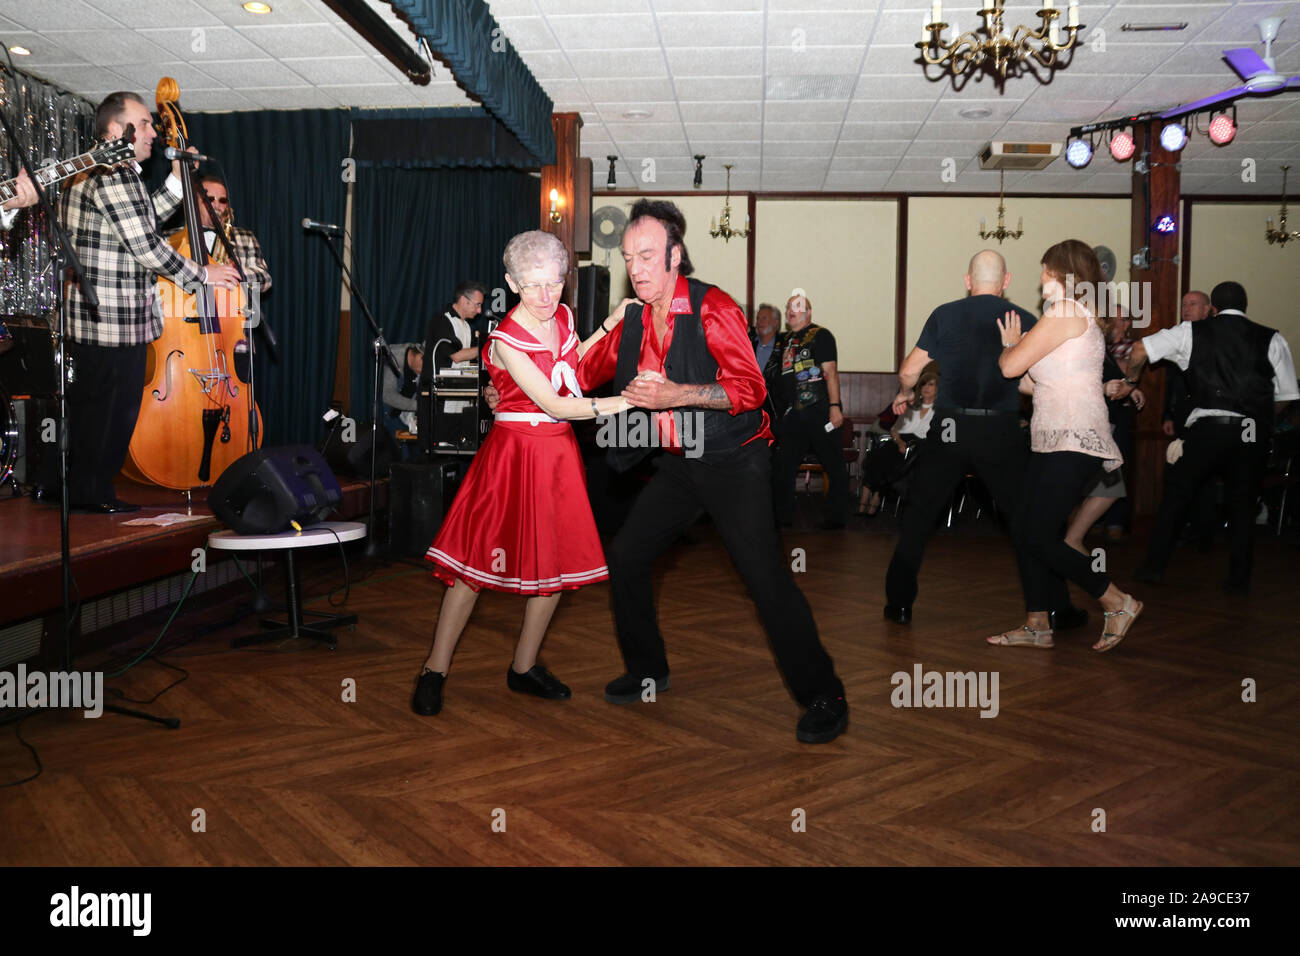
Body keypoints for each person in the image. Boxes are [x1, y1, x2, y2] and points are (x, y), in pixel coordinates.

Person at [577, 199, 849, 744]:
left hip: (734, 459)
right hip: (680, 464)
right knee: (627, 557)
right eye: (630, 257)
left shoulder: (712, 306)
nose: (637, 267)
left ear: (676, 255)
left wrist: (677, 393)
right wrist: (605, 322)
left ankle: (824, 694)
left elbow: (750, 391)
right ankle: (648, 670)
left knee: (765, 579)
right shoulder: (633, 316)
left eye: (649, 255)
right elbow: (584, 371)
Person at [411, 231, 635, 716]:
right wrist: (626, 401)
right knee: (471, 571)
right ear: (512, 283)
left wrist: (610, 326)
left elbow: (569, 368)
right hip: (512, 456)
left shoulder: (564, 316)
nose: (545, 296)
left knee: (552, 571)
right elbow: (555, 401)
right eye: (532, 286)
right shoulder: (505, 337)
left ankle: (524, 666)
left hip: (557, 455)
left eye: (554, 283)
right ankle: (434, 669)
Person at [33, 92, 239, 513]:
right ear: (116, 129)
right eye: (145, 123)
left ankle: (70, 486)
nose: (153, 132)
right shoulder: (111, 171)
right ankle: (91, 493)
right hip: (113, 317)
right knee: (113, 411)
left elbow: (144, 219)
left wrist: (180, 177)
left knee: (93, 407)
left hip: (101, 316)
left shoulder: (106, 170)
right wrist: (204, 273)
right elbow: (146, 244)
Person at [882, 249, 1086, 633]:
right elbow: (1035, 382)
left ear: (967, 280)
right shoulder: (1026, 319)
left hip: (949, 428)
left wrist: (906, 390)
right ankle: (1054, 609)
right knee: (1026, 524)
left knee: (919, 517)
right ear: (1006, 281)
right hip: (1000, 430)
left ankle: (899, 604)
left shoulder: (944, 314)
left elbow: (910, 371)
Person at [991, 239, 1142, 652]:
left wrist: (1010, 346)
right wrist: (1017, 354)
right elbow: (1027, 381)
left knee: (1039, 535)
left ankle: (1117, 600)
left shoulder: (1066, 312)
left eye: (1043, 269)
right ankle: (1038, 623)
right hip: (1052, 437)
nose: (1039, 278)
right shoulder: (1071, 317)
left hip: (1073, 436)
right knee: (1025, 529)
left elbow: (1009, 366)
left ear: (1060, 272)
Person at [1123, 280, 1299, 593]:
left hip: (1206, 428)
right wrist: (1260, 418)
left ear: (1213, 308)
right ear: (1245, 306)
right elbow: (1286, 393)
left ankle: (1153, 568)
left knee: (1176, 497)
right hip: (1250, 430)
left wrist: (1131, 380)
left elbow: (1138, 349)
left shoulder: (1192, 332)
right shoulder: (1271, 337)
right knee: (1243, 504)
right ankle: (1239, 579)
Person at [767, 293, 849, 528]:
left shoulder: (820, 335)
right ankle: (782, 518)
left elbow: (830, 372)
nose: (791, 310)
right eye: (788, 307)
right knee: (784, 467)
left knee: (834, 466)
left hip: (820, 410)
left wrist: (834, 407)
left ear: (809, 312)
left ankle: (835, 519)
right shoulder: (785, 341)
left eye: (798, 306)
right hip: (794, 414)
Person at [1063, 350, 1144, 554]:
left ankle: (1071, 539)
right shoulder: (1075, 342)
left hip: (1099, 423)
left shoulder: (1100, 345)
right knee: (1101, 483)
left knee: (1109, 484)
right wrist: (1102, 388)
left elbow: (1113, 375)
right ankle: (1070, 539)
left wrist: (1128, 388)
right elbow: (1066, 384)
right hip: (1080, 423)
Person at [858, 365, 937, 516]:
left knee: (892, 461)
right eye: (923, 384)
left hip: (920, 445)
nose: (926, 387)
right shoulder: (910, 406)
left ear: (938, 389)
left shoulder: (939, 410)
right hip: (900, 440)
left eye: (931, 384)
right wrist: (900, 442)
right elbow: (894, 429)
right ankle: (865, 498)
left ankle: (874, 499)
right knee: (876, 456)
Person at [187, 174, 272, 294]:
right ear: (194, 203)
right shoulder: (175, 238)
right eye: (210, 199)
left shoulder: (245, 237)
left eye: (222, 200)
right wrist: (204, 275)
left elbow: (265, 279)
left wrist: (234, 273)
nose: (217, 206)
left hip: (235, 310)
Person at [425, 280, 486, 369]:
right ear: (464, 300)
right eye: (477, 305)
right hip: (438, 382)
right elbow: (456, 356)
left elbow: (466, 361)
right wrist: (487, 347)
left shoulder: (466, 325)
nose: (479, 311)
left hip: (458, 381)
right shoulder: (442, 320)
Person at [381, 341, 423, 451]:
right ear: (414, 353)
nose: (423, 367)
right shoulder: (394, 359)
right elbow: (387, 396)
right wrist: (418, 406)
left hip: (407, 419)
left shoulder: (420, 364)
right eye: (422, 360)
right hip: (390, 417)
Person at [752, 302, 781, 372]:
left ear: (775, 323)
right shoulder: (749, 344)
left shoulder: (784, 347)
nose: (760, 322)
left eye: (764, 318)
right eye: (758, 318)